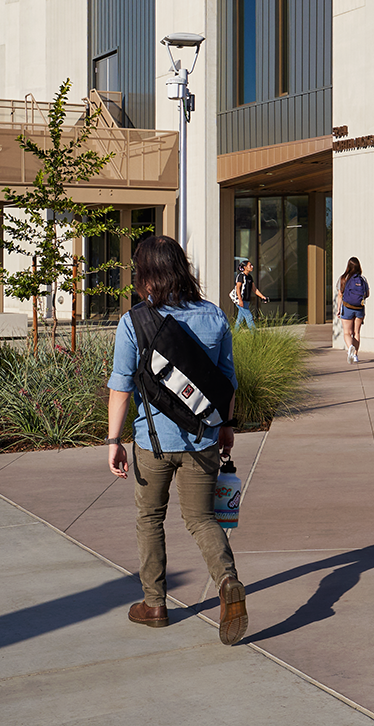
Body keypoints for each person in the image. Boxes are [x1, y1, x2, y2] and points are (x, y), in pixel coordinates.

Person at [105, 233, 247, 645]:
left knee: (150, 518)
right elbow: (226, 382)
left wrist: (113, 441)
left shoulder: (134, 320)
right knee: (201, 519)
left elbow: (121, 386)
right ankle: (227, 581)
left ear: (145, 273)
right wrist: (227, 426)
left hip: (153, 442)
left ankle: (155, 604)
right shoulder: (215, 316)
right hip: (203, 440)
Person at [335, 257, 367, 363]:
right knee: (356, 332)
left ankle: (350, 348)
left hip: (347, 307)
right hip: (359, 308)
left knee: (347, 333)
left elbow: (340, 295)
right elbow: (367, 294)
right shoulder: (362, 279)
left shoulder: (343, 279)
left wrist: (339, 308)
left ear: (348, 266)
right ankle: (355, 355)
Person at [230, 258, 267, 329]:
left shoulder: (249, 277)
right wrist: (240, 300)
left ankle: (234, 334)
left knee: (240, 320)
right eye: (250, 265)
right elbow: (238, 288)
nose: (252, 266)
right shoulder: (240, 276)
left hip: (246, 301)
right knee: (249, 317)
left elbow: (254, 289)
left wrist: (262, 297)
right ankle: (254, 335)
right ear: (244, 267)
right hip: (241, 300)